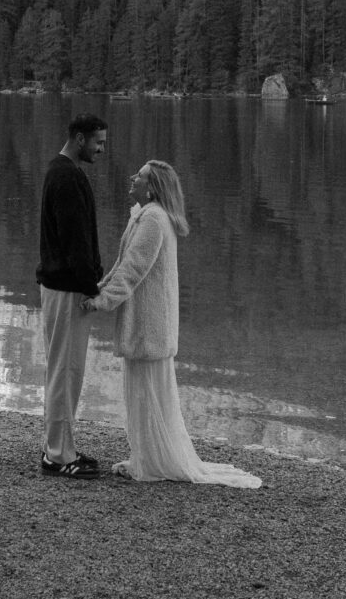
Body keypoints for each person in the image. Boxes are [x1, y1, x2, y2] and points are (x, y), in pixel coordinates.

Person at [87, 160, 261, 488]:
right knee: (142, 394)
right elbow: (122, 264)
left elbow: (134, 268)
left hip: (150, 323)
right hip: (150, 322)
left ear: (151, 187)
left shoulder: (153, 219)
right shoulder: (146, 214)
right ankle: (146, 458)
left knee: (147, 394)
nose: (132, 178)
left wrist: (102, 301)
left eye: (138, 176)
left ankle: (151, 464)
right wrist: (99, 289)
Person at [35, 113, 106, 479]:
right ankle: (59, 457)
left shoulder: (60, 171)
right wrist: (92, 288)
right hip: (67, 290)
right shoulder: (66, 177)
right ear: (80, 138)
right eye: (98, 142)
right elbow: (75, 240)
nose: (101, 149)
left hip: (60, 286)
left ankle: (60, 446)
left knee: (65, 370)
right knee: (65, 371)